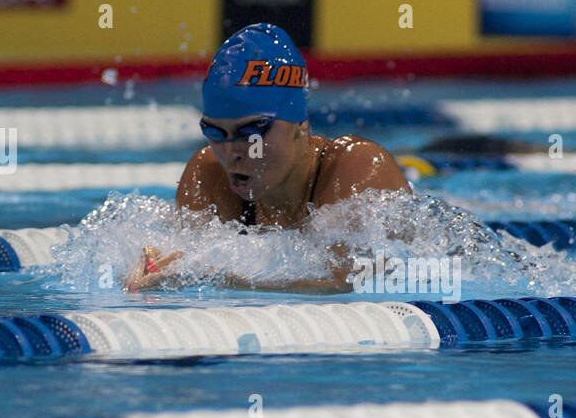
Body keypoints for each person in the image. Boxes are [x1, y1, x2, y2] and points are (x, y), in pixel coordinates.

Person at [124, 23, 411, 292]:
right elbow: (187, 264)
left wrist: (220, 279)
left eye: (251, 132)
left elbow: (352, 284)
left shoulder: (355, 169)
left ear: (301, 125)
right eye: (216, 133)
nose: (231, 152)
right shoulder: (207, 175)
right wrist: (159, 265)